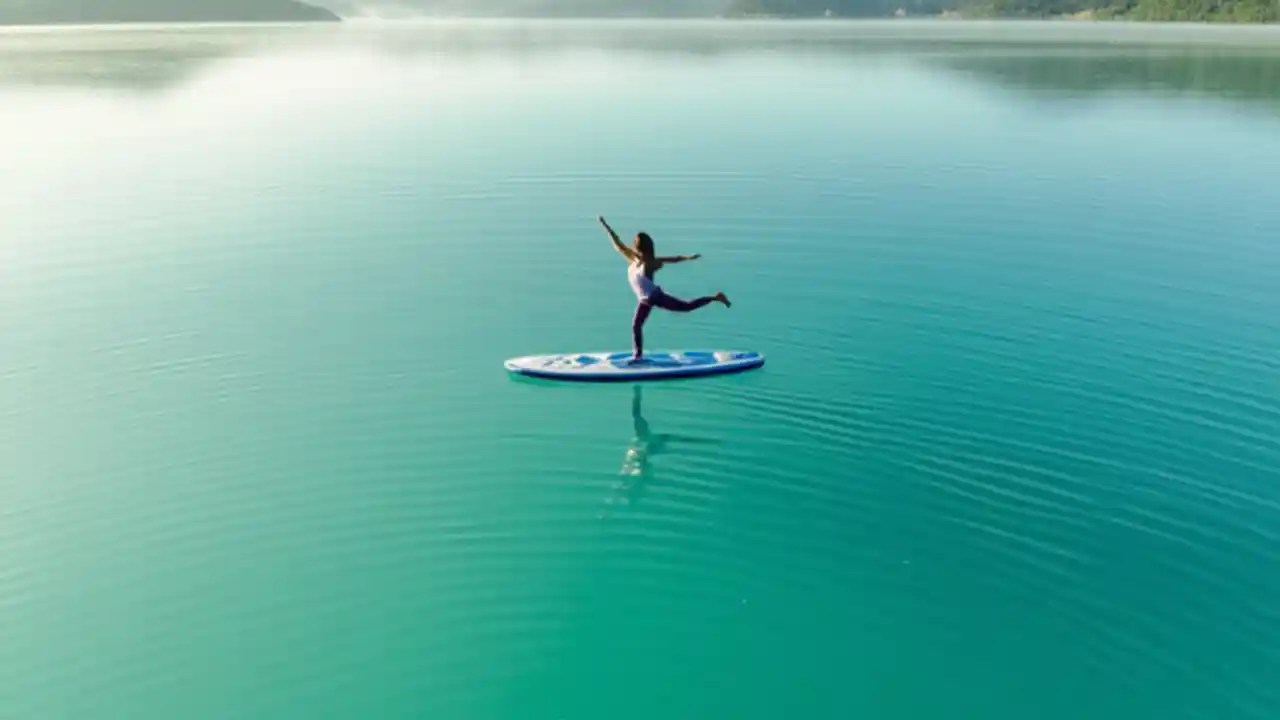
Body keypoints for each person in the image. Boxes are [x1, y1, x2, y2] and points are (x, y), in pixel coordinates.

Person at [598, 216, 730, 362]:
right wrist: (606, 226)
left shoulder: (649, 263)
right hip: (645, 300)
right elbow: (618, 244)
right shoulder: (634, 259)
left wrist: (687, 258)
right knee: (636, 326)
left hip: (655, 297)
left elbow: (672, 259)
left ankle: (716, 297)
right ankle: (638, 356)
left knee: (686, 307)